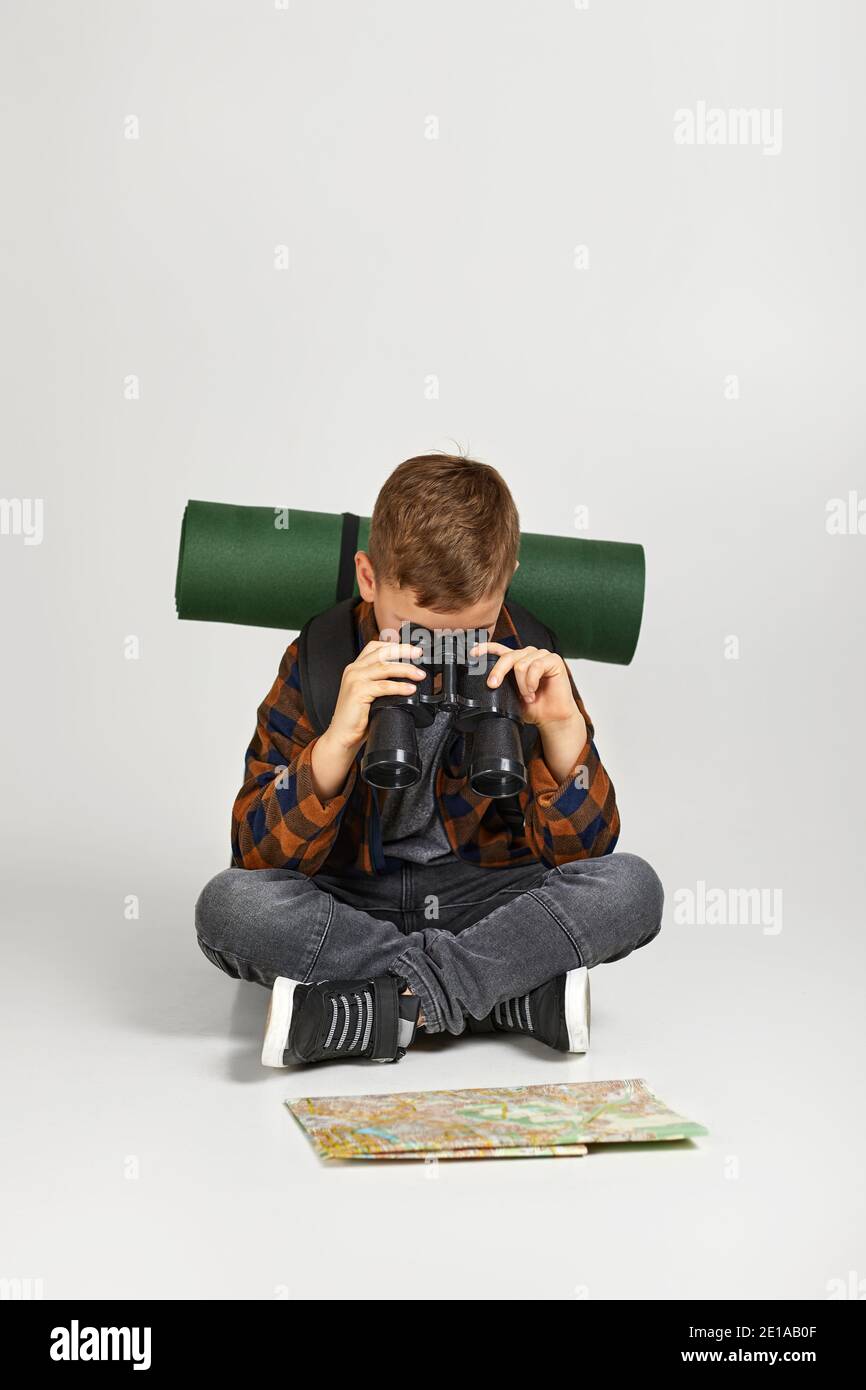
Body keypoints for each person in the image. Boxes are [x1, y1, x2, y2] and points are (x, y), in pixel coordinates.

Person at [195, 454, 663, 1065]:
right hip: (353, 898)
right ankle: (501, 997)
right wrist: (337, 743)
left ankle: (381, 1007)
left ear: (505, 583)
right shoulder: (321, 655)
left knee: (632, 887)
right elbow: (254, 858)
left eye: (470, 634)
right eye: (416, 633)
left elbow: (583, 858)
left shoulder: (529, 652)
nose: (442, 654)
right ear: (368, 578)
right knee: (230, 907)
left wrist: (561, 730)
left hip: (485, 897)